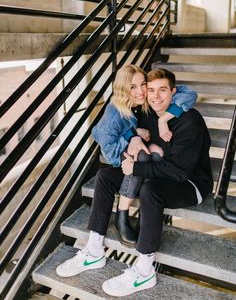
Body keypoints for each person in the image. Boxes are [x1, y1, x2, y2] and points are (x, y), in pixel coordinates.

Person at [56, 68, 213, 298]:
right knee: (105, 177)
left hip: (190, 183)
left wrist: (137, 167)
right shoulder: (146, 113)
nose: (155, 96)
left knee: (150, 190)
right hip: (157, 172)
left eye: (162, 90)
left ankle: (144, 268)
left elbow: (179, 172)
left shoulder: (190, 120)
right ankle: (93, 250)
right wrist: (134, 138)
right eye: (151, 90)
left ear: (173, 92)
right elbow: (114, 132)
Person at [91, 64, 197, 247]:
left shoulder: (140, 106)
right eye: (133, 87)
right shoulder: (116, 111)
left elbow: (189, 93)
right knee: (131, 162)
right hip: (121, 158)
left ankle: (143, 221)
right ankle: (116, 220)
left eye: (143, 85)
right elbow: (104, 144)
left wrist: (163, 119)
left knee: (154, 155)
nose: (141, 91)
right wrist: (132, 138)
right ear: (123, 88)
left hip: (170, 173)